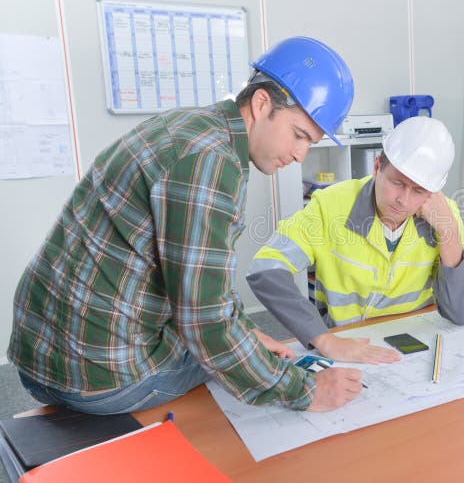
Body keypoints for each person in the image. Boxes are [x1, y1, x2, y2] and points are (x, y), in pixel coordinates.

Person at [8, 36, 365, 415]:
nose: (299, 155)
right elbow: (205, 323)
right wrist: (302, 390)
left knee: (239, 347)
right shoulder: (209, 163)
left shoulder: (194, 127)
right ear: (262, 104)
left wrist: (245, 332)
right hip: (96, 374)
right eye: (299, 135)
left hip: (42, 350)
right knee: (236, 365)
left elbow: (196, 280)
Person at [247, 116, 464, 364]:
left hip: (419, 347)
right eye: (397, 183)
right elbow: (265, 269)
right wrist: (324, 340)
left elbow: (462, 313)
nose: (403, 200)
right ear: (377, 166)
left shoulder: (445, 215)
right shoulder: (331, 205)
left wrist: (448, 232)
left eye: (419, 191)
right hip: (348, 345)